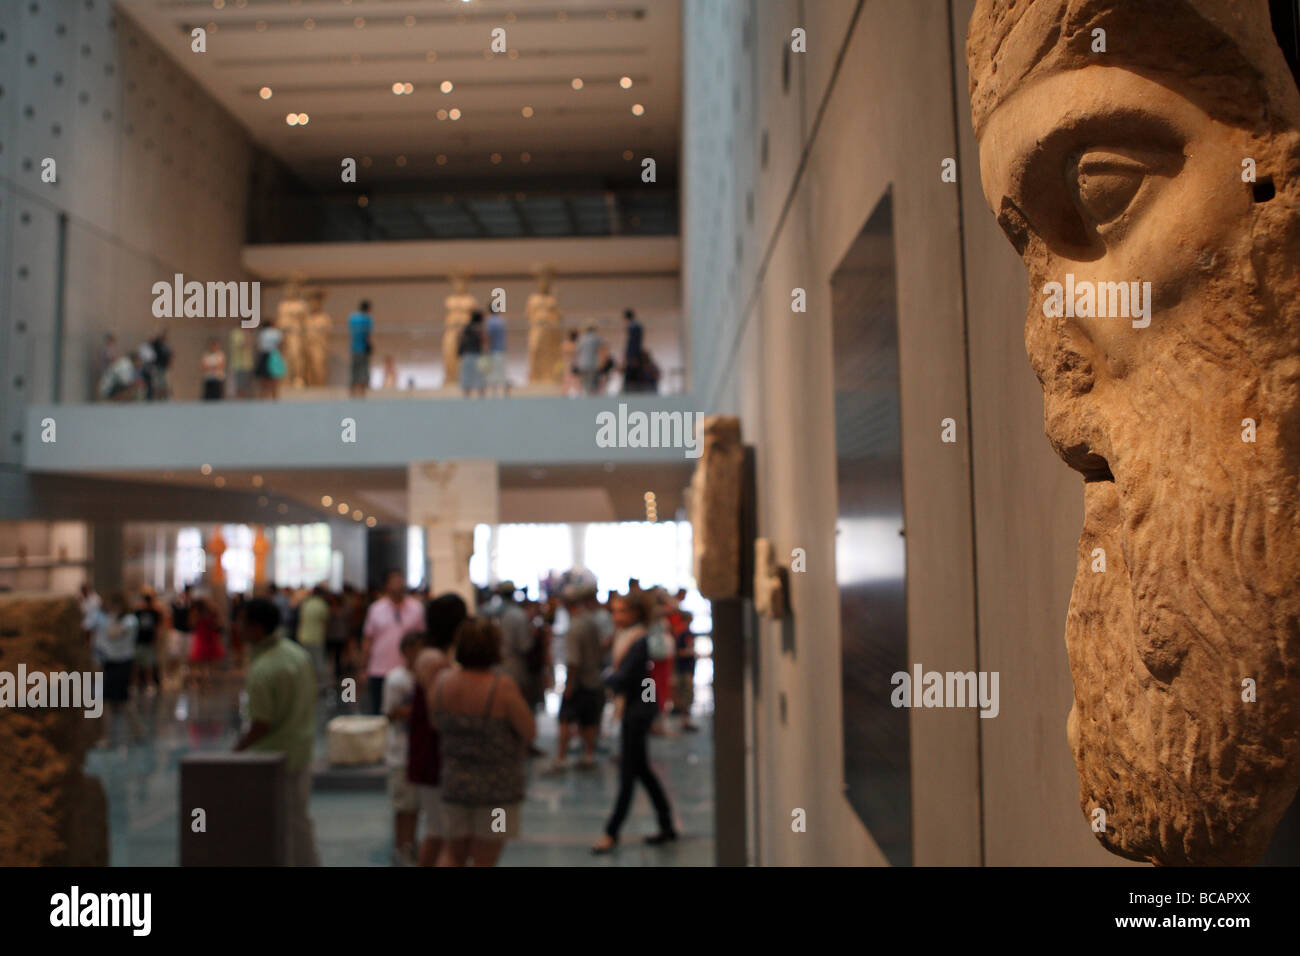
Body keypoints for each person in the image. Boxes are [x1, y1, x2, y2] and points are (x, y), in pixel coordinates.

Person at [430, 618, 534, 866]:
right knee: (486, 859)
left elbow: (435, 723)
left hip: (455, 786)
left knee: (453, 853)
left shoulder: (442, 682)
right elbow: (529, 730)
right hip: (498, 795)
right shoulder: (502, 687)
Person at [234, 597, 320, 866]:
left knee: (281, 827)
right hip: (302, 750)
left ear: (256, 628)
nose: (236, 626)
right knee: (298, 822)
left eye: (241, 621)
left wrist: (236, 751)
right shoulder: (296, 654)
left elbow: (261, 723)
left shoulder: (264, 670)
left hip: (272, 759)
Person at [592, 592, 677, 853]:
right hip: (634, 709)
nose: (616, 616)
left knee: (629, 775)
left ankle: (611, 832)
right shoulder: (626, 637)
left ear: (635, 613)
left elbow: (623, 678)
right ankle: (666, 825)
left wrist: (606, 676)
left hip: (637, 713)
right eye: (614, 611)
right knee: (642, 772)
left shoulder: (638, 641)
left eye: (621, 611)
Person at [409, 592, 466, 866]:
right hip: (433, 751)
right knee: (440, 831)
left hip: (433, 749)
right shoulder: (434, 661)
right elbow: (437, 715)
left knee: (440, 829)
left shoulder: (436, 656)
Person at [546, 585, 605, 772]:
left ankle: (561, 758)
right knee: (589, 720)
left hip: (580, 681)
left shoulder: (575, 627)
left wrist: (568, 686)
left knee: (565, 719)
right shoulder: (591, 621)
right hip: (594, 678)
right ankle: (589, 755)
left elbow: (573, 661)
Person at [358, 571, 425, 715]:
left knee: (402, 713)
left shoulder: (416, 608)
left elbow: (421, 639)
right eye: (394, 581)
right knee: (378, 711)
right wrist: (363, 667)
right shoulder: (376, 609)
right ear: (387, 586)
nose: (398, 584)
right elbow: (367, 639)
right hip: (379, 669)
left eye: (400, 581)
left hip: (405, 670)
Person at [382, 631, 423, 865]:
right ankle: (401, 847)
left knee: (415, 805)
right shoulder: (396, 679)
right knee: (403, 806)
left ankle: (411, 843)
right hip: (401, 753)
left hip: (419, 753)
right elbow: (390, 714)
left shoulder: (427, 677)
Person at [92, 592, 142, 746]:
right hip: (111, 662)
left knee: (120, 700)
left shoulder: (130, 621)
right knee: (113, 700)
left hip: (123, 662)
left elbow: (113, 634)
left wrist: (110, 619)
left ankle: (132, 731)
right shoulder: (109, 619)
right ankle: (135, 731)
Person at [296, 585, 331, 691]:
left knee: (305, 662)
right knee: (319, 661)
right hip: (316, 637)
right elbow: (326, 622)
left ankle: (305, 682)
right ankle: (321, 684)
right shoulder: (322, 605)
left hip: (303, 636)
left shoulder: (306, 603)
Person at [188, 597, 225, 689]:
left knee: (205, 662)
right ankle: (201, 680)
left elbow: (217, 624)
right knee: (201, 662)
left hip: (207, 637)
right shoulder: (200, 613)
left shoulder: (210, 613)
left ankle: (203, 680)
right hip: (203, 637)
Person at [133, 589, 162, 697]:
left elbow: (157, 627)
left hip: (149, 641)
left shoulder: (155, 612)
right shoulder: (138, 612)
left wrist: (156, 640)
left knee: (148, 664)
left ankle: (149, 683)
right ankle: (136, 683)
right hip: (139, 641)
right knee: (137, 664)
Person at [457, 310, 486, 398]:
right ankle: (481, 398)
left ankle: (466, 397)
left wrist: (460, 351)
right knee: (480, 379)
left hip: (467, 356)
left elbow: (460, 338)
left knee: (467, 379)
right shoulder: (480, 329)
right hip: (477, 356)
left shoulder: (467, 328)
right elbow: (485, 341)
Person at [348, 300, 374, 397]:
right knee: (363, 368)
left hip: (354, 348)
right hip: (362, 348)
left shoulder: (352, 318)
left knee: (355, 369)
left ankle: (353, 388)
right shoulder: (367, 319)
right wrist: (369, 345)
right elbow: (367, 334)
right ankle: (363, 389)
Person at [256, 321, 285, 399]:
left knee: (264, 380)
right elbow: (281, 344)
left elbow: (259, 346)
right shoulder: (276, 332)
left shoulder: (262, 333)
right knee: (275, 378)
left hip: (264, 355)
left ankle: (263, 397)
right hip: (274, 355)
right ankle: (275, 396)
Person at [485, 308, 509, 397]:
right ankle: (504, 390)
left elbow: (488, 336)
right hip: (502, 348)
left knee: (493, 372)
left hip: (493, 349)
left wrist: (486, 348)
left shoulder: (490, 321)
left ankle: (494, 392)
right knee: (502, 370)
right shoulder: (502, 320)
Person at [621, 308, 644, 392]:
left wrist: (629, 356)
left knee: (631, 378)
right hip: (634, 356)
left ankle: (628, 398)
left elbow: (632, 344)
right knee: (633, 378)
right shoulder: (637, 326)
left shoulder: (633, 327)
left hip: (633, 357)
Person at [576, 325, 602, 395]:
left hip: (583, 363)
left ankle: (585, 394)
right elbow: (603, 346)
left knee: (584, 382)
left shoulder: (582, 338)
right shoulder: (595, 338)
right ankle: (589, 395)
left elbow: (578, 351)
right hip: (592, 363)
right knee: (591, 382)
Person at [229, 326, 254, 398]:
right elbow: (243, 345)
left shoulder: (248, 333)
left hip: (247, 364)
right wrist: (246, 335)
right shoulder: (236, 333)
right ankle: (239, 402)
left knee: (246, 386)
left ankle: (244, 402)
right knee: (239, 386)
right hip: (238, 364)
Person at [150, 329, 173, 400]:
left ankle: (165, 397)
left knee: (165, 382)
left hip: (164, 367)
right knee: (157, 382)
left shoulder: (166, 346)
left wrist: (170, 364)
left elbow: (171, 355)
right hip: (157, 367)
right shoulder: (157, 344)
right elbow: (153, 341)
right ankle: (157, 397)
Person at [561, 329, 580, 396]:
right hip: (572, 364)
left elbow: (563, 354)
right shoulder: (575, 345)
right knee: (574, 381)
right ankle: (577, 394)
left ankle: (564, 394)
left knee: (568, 381)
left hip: (567, 364)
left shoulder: (565, 344)